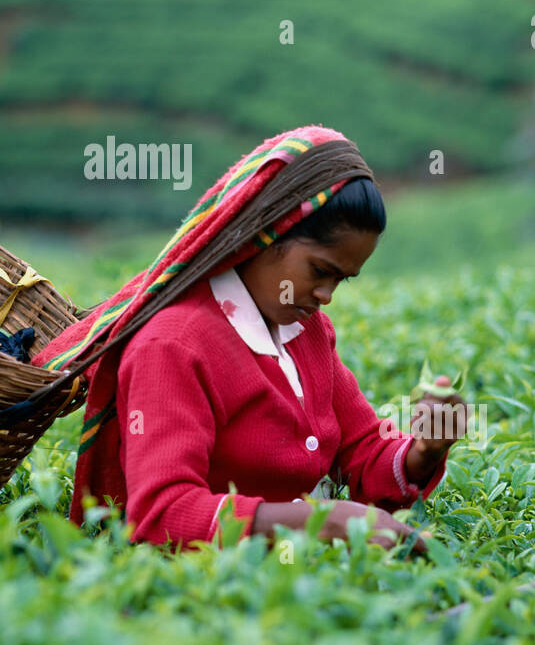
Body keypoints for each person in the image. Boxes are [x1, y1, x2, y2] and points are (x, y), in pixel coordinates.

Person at [29, 124, 465, 555]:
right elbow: (161, 515)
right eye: (319, 270)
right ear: (266, 231)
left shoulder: (308, 332)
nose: (327, 296)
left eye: (342, 280)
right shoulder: (172, 345)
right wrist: (320, 522)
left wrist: (425, 450)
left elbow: (362, 449)